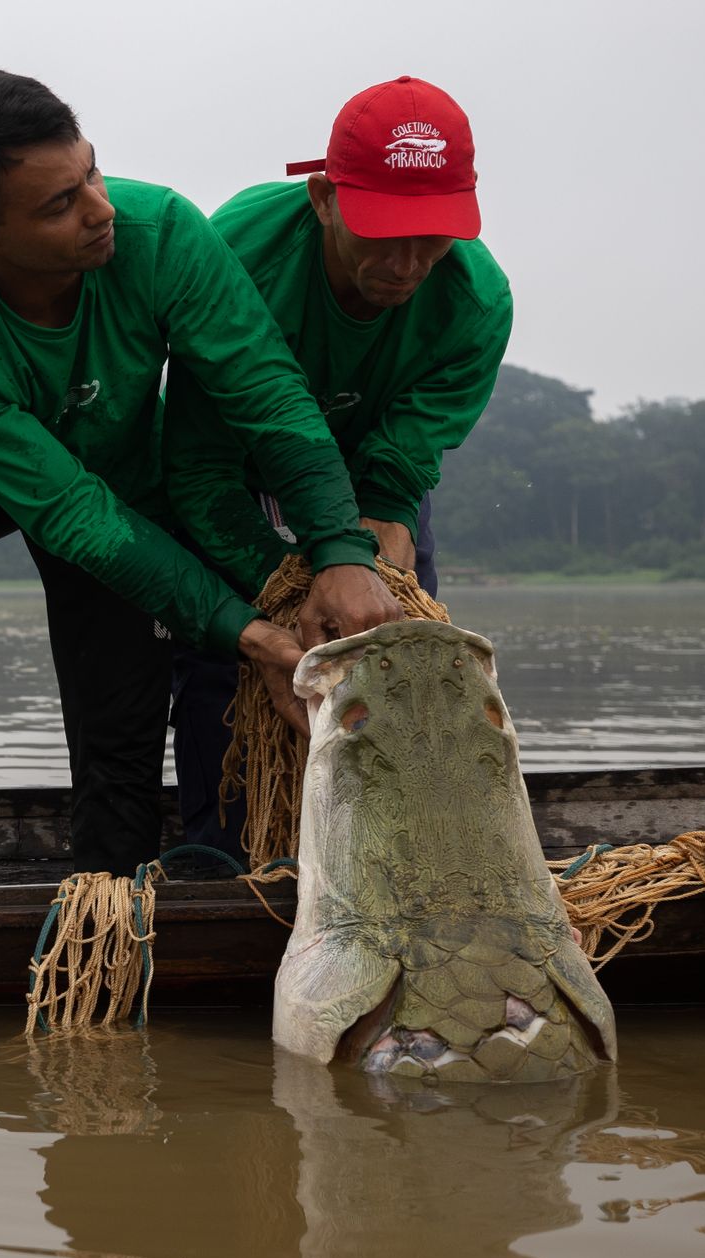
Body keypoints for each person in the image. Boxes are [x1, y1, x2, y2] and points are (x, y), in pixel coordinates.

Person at [0, 70, 401, 889]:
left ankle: (113, 927)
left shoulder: (160, 231)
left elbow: (264, 393)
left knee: (118, 766)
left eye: (92, 172)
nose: (99, 208)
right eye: (58, 205)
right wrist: (246, 631)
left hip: (119, 480)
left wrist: (339, 549)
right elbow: (69, 515)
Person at [163, 75, 514, 859]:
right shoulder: (237, 254)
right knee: (229, 652)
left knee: (390, 644)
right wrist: (287, 586)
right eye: (383, 232)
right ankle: (226, 855)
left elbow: (400, 465)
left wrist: (370, 544)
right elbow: (198, 465)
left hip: (366, 472)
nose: (408, 263)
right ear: (323, 198)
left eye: (433, 235)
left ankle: (397, 849)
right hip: (237, 465)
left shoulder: (476, 302)